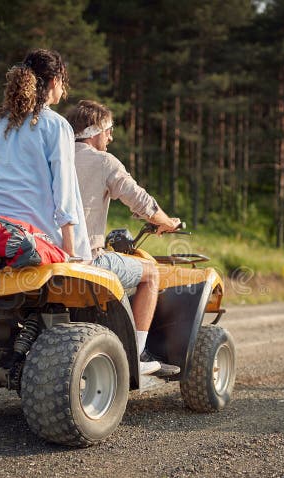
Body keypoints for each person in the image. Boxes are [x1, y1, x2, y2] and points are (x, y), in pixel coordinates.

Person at [67, 99, 181, 376]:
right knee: (151, 273)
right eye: (108, 131)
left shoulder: (55, 157)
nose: (111, 137)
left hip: (50, 254)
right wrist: (166, 222)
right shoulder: (103, 161)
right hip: (87, 259)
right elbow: (139, 200)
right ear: (95, 132)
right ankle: (138, 354)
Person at [0, 49, 90, 261]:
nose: (63, 88)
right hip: (32, 232)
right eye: (63, 82)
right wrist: (71, 251)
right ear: (55, 81)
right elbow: (64, 189)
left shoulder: (2, 122)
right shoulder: (56, 125)